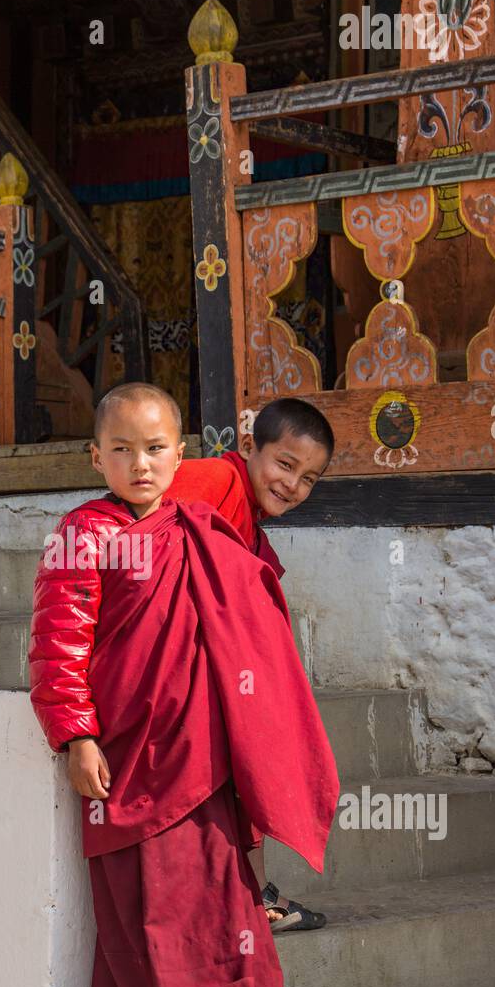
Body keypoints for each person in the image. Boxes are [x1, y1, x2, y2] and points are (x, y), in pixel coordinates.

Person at [28, 382, 362, 987]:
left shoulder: (192, 517)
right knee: (165, 888)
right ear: (96, 457)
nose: (142, 464)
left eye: (155, 449)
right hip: (135, 744)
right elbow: (58, 637)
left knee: (224, 877)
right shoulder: (88, 532)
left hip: (200, 737)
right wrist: (75, 733)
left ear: (178, 454)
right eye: (123, 450)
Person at [165, 399, 334, 932]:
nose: (292, 486)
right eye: (285, 465)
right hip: (171, 667)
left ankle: (255, 895)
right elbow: (146, 529)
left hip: (209, 668)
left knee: (257, 738)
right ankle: (251, 899)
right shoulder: (215, 477)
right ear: (247, 448)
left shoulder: (251, 521)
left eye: (308, 479)